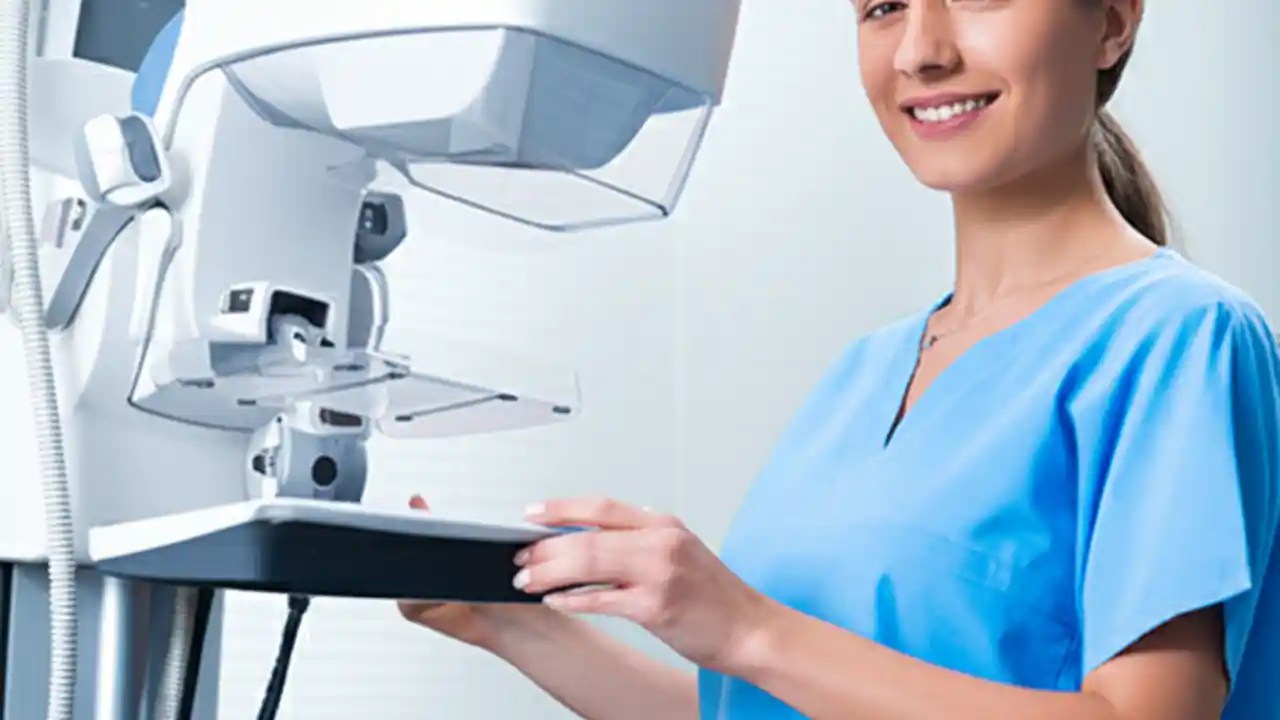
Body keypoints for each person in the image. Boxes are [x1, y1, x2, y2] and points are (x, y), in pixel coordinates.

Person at [398, 1, 1280, 718]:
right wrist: (513, 625)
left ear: (1112, 22)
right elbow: (760, 707)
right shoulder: (864, 373)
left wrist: (745, 628)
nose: (923, 52)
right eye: (883, 7)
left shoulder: (1179, 340)